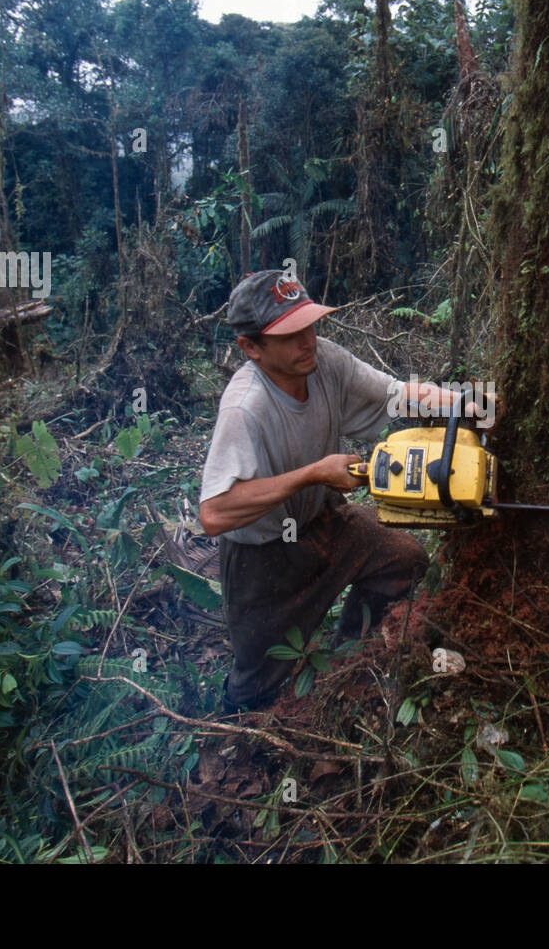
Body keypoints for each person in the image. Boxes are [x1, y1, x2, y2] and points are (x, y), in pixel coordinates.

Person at [199, 269, 493, 713]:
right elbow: (214, 514)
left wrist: (466, 403)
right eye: (290, 335)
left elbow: (396, 395)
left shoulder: (325, 362)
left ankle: (347, 663)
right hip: (262, 558)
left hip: (322, 522)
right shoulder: (246, 408)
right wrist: (313, 473)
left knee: (403, 561)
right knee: (255, 688)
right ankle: (240, 744)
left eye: (310, 325)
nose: (308, 341)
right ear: (250, 348)